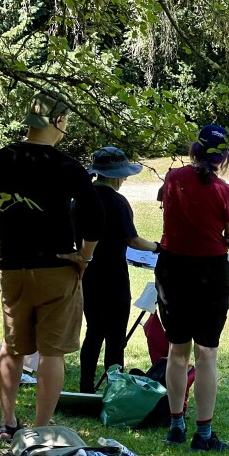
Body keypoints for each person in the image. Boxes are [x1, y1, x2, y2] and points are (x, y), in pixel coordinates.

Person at [0, 91, 103, 440]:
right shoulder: (67, 166)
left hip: (13, 270)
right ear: (58, 121)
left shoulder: (2, 159)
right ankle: (41, 429)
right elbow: (96, 214)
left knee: (12, 347)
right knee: (52, 353)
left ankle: (7, 422)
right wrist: (85, 256)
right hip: (57, 271)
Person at [155, 124, 229, 452]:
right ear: (224, 158)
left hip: (172, 269)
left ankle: (176, 426)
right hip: (210, 270)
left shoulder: (172, 179)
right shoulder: (225, 191)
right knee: (206, 353)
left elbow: (166, 204)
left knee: (176, 350)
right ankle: (203, 435)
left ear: (194, 150)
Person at [78, 147, 160, 393]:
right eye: (123, 174)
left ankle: (85, 387)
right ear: (116, 175)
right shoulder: (117, 202)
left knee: (94, 331)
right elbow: (132, 240)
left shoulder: (80, 199)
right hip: (114, 276)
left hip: (87, 274)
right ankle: (114, 389)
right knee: (115, 336)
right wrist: (157, 247)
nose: (125, 178)